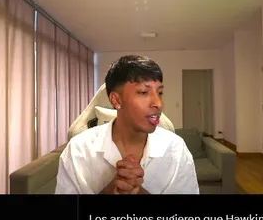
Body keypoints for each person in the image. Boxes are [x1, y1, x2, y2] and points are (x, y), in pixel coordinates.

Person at [56, 55, 199, 195]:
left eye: (160, 93)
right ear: (116, 100)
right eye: (144, 92)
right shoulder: (78, 150)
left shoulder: (176, 149)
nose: (159, 104)